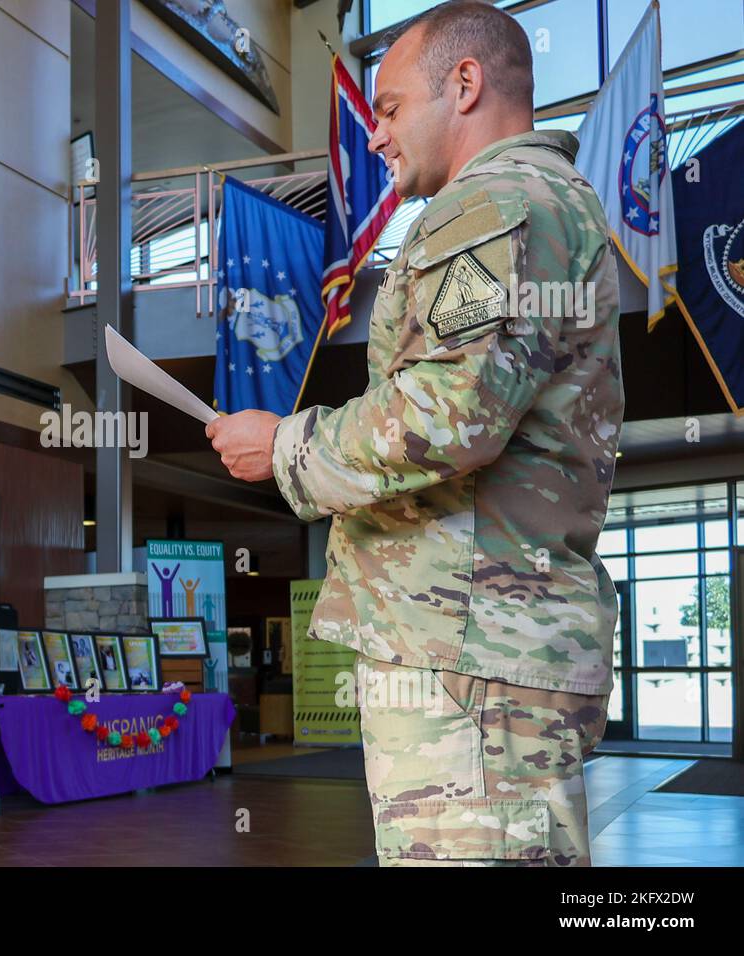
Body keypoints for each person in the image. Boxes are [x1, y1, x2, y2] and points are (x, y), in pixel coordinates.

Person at [206, 1, 623, 866]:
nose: (376, 136)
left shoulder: (500, 202)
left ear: (464, 85)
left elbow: (449, 412)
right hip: (478, 649)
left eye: (390, 108)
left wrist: (285, 446)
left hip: (473, 655)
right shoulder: (528, 203)